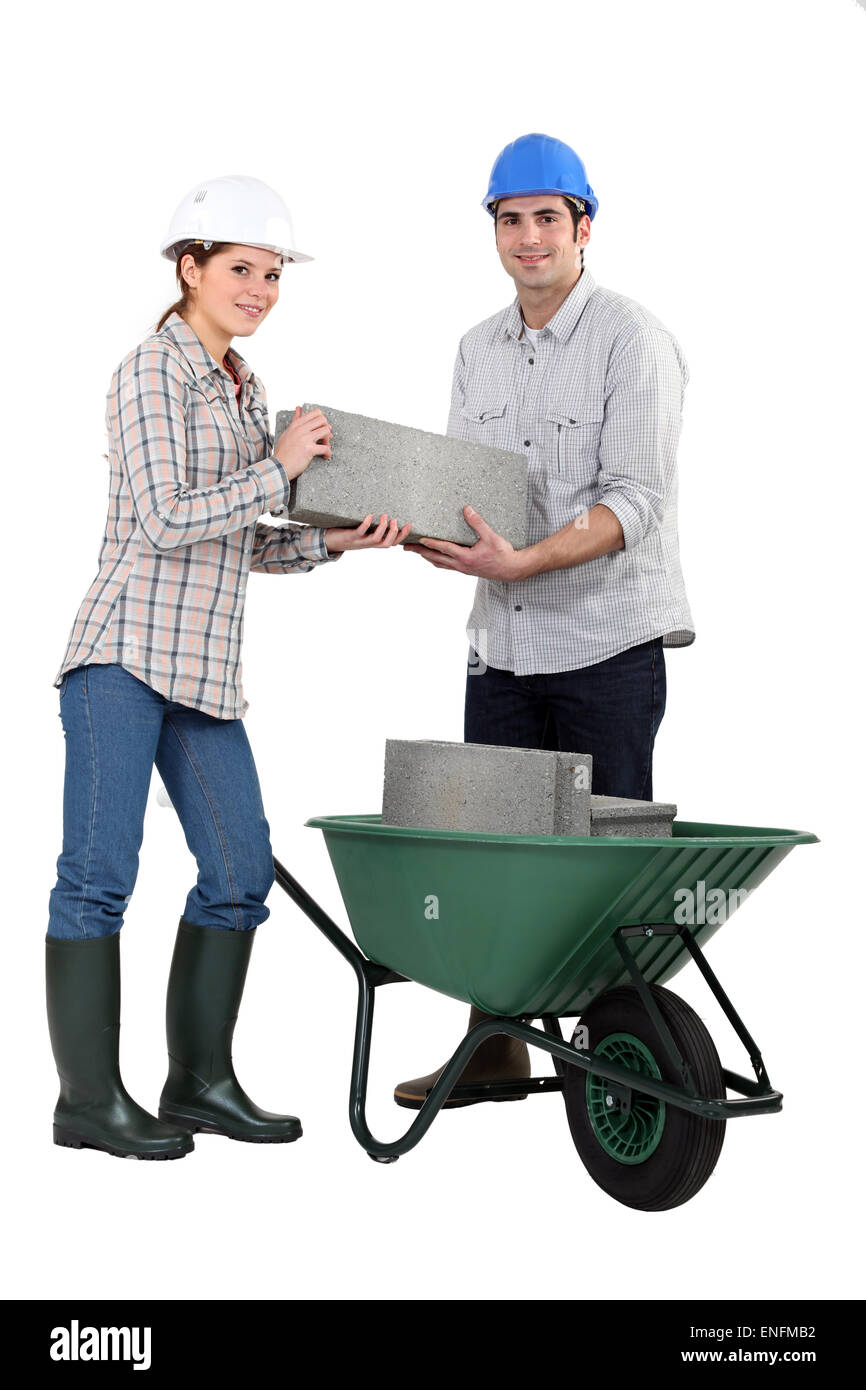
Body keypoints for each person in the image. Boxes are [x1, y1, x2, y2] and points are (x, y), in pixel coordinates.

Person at [46, 174, 410, 1160]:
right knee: (98, 875)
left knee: (240, 870)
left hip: (201, 674)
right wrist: (282, 468)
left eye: (272, 273)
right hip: (122, 657)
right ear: (189, 267)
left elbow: (240, 539)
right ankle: (87, 1101)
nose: (260, 288)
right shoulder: (149, 373)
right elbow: (167, 519)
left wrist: (338, 541)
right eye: (241, 269)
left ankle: (198, 1081)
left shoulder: (241, 388)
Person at [396, 133, 695, 1109]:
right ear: (492, 229)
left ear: (583, 226)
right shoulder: (474, 349)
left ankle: (627, 1060)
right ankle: (494, 1045)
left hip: (603, 644)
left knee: (606, 883)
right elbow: (463, 493)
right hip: (502, 646)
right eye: (508, 220)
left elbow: (636, 499)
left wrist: (525, 558)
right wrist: (408, 528)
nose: (526, 238)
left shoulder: (629, 339)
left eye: (545, 219)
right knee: (496, 866)